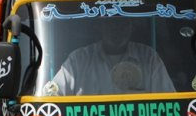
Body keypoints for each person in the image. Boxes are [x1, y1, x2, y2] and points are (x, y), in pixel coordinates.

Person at [47, 18, 175, 96]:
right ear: (99, 27)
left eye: (122, 23)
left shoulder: (149, 58)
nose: (117, 30)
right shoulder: (78, 60)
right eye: (111, 24)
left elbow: (169, 101)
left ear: (132, 26)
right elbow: (52, 99)